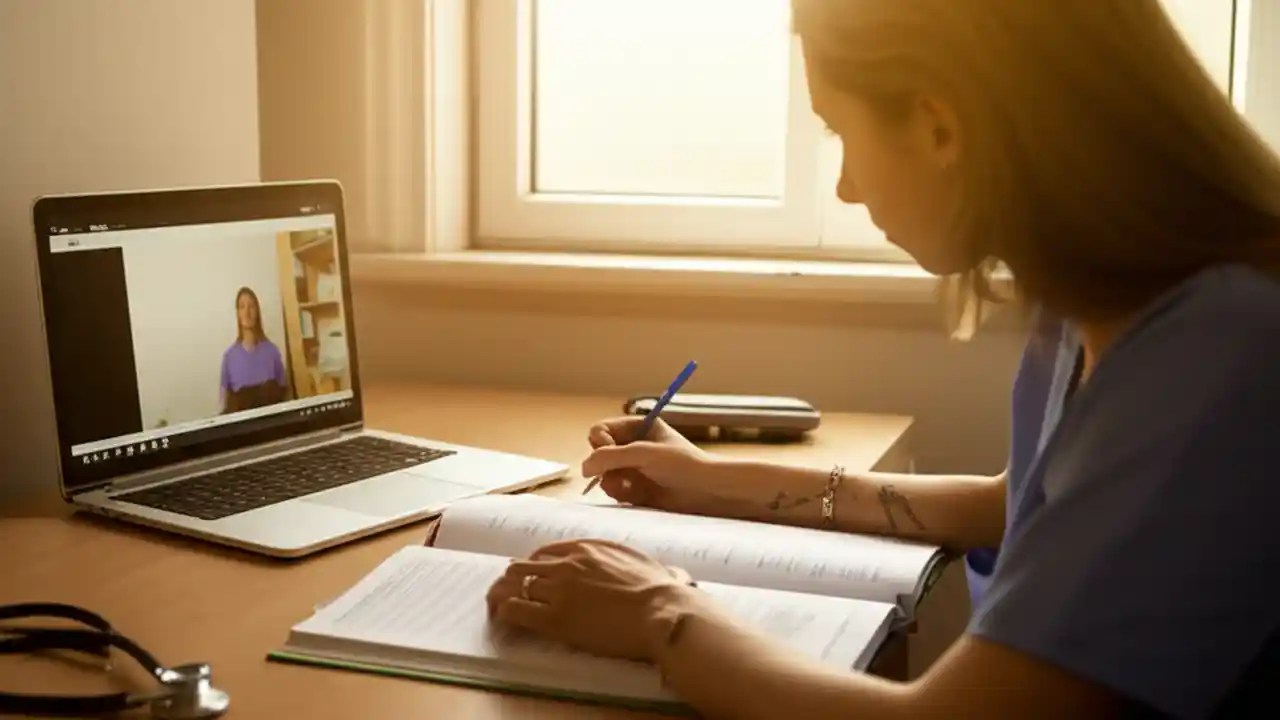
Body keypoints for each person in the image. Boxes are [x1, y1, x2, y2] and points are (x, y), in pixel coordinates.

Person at [484, 1, 1280, 717]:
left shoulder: (1216, 356)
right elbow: (1015, 504)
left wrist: (662, 614)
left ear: (940, 126)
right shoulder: (1100, 295)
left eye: (840, 131)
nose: (843, 189)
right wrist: (714, 483)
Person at [219, 286, 288, 413]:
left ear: (257, 311)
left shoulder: (272, 352)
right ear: (238, 314)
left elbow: (284, 396)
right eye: (242, 307)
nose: (247, 312)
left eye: (251, 306)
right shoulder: (229, 358)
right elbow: (223, 405)